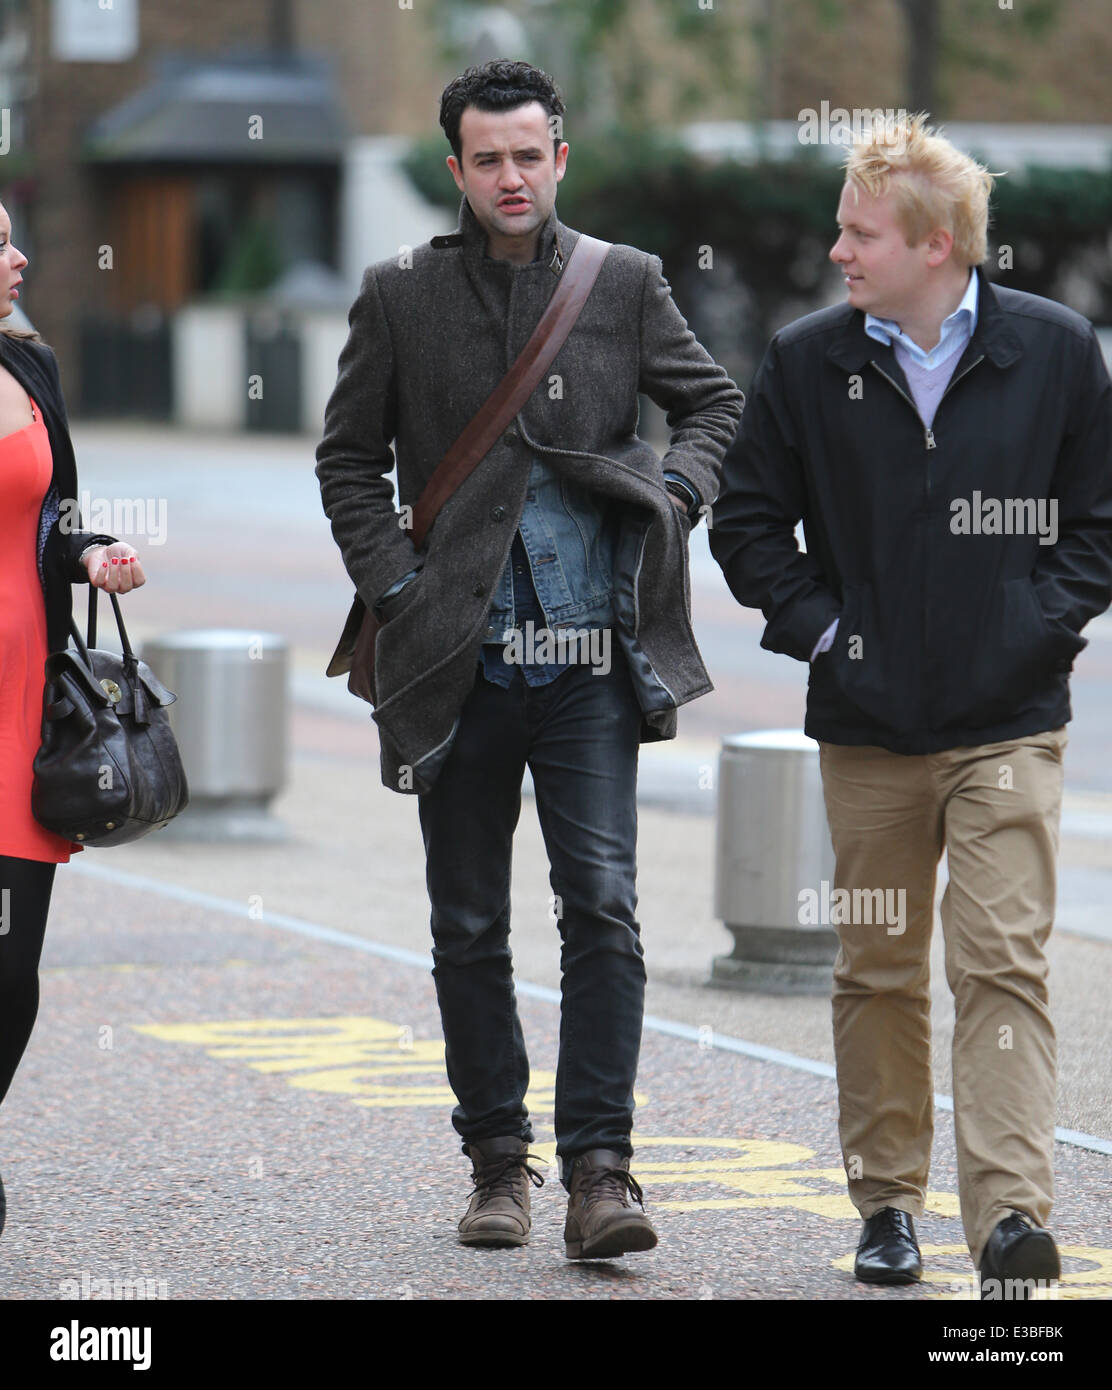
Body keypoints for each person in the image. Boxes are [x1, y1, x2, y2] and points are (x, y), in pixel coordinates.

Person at [316, 60, 743, 1259]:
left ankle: (603, 1174)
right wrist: (394, 585)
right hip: (451, 661)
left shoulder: (625, 283)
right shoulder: (398, 293)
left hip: (592, 657)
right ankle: (498, 1166)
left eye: (529, 154)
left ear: (562, 156)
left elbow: (715, 406)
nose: (511, 175)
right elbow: (346, 459)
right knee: (467, 924)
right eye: (487, 158)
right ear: (456, 169)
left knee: (601, 904)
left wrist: (670, 494)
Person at [709, 114, 1112, 1296]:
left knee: (1002, 967)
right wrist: (834, 631)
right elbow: (744, 526)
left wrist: (1029, 628)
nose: (838, 250)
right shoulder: (807, 360)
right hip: (870, 733)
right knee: (879, 969)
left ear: (936, 246)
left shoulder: (1055, 351)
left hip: (1009, 725)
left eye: (858, 232)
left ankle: (1009, 1223)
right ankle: (888, 1204)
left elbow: (1094, 528)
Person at [0, 200, 146, 1237]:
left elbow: (58, 517)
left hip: (20, 717)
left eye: (11, 237)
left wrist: (92, 554)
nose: (15, 258)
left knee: (11, 974)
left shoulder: (30, 369)